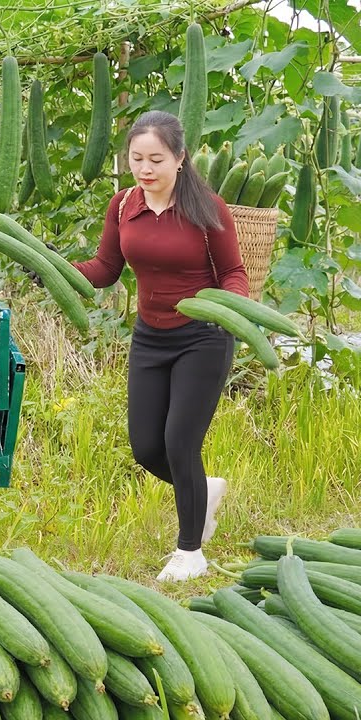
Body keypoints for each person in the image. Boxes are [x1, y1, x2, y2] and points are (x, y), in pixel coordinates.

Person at [69, 110, 249, 582]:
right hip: (150, 336)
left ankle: (191, 552)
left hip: (203, 336)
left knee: (179, 442)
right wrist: (57, 268)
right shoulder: (124, 204)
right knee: (147, 447)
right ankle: (203, 490)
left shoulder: (207, 209)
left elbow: (233, 272)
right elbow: (105, 269)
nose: (145, 169)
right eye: (137, 158)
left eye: (156, 159)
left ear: (180, 158)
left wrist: (231, 310)